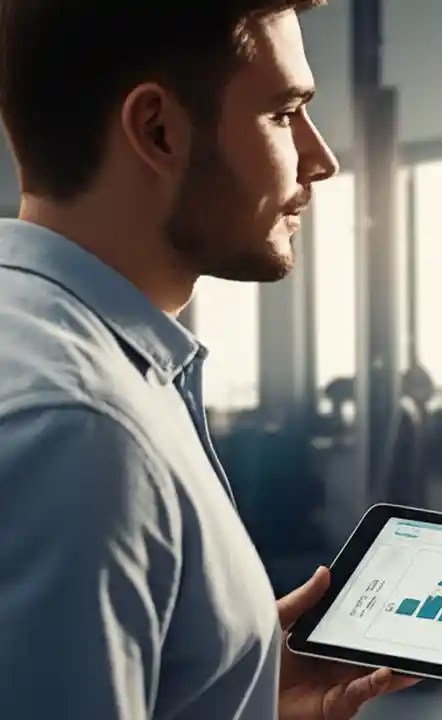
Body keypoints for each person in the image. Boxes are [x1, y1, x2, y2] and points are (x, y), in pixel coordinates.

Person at [0, 1, 416, 717]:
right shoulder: (77, 427)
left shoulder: (84, 356)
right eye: (285, 115)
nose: (321, 159)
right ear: (159, 130)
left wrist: (231, 680)